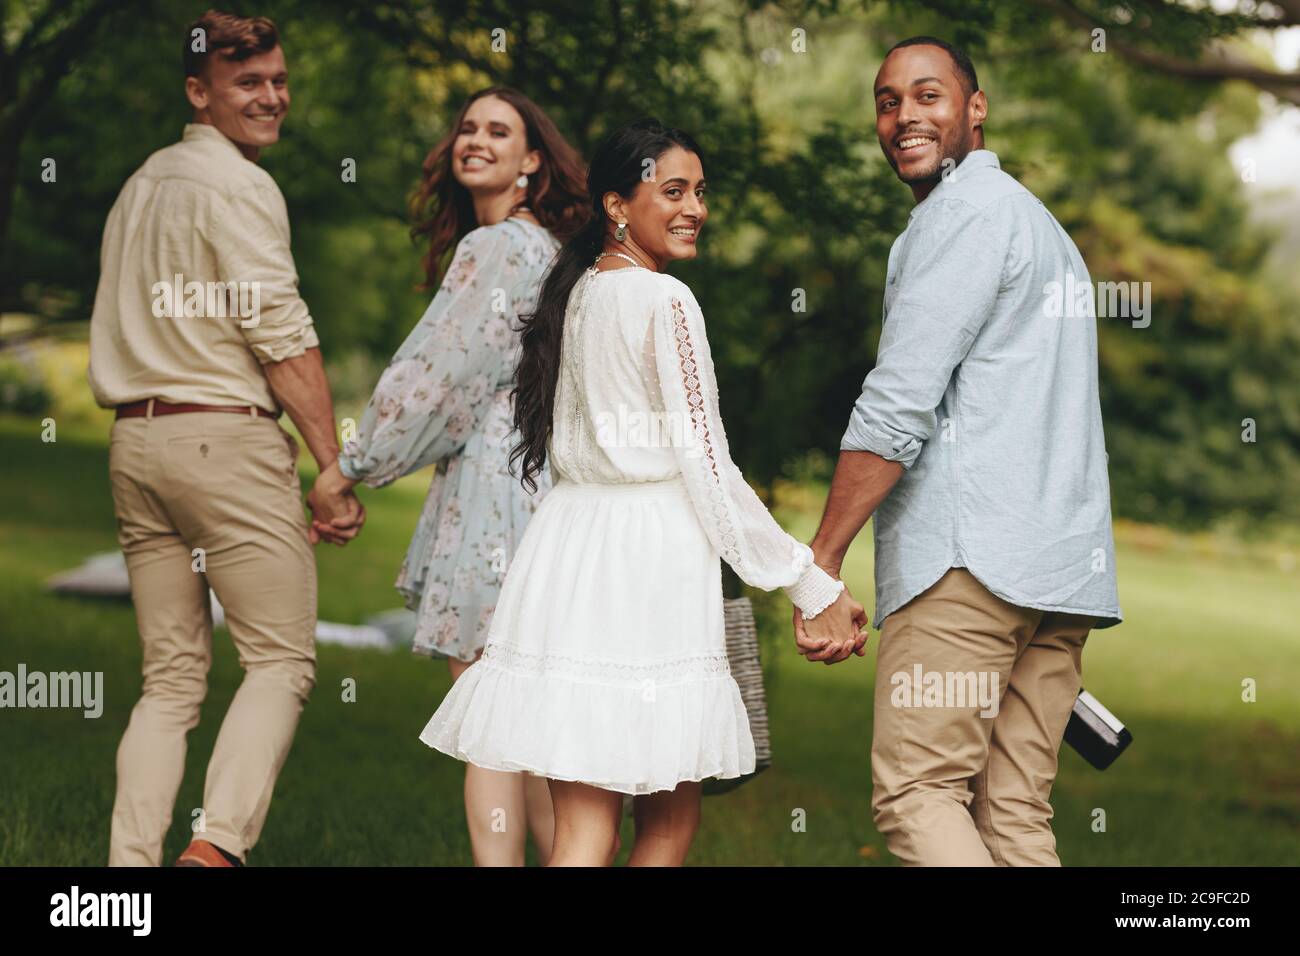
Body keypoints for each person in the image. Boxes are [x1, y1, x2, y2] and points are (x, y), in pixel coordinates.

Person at [418, 118, 866, 867]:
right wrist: (808, 581)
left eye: (701, 192)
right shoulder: (666, 303)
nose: (696, 208)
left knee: (583, 830)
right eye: (675, 191)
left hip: (570, 550)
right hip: (647, 564)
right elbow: (708, 469)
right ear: (619, 204)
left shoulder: (582, 293)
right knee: (664, 825)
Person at [796, 36, 1123, 866]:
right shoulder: (1038, 225)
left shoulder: (964, 216)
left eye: (928, 95)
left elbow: (898, 403)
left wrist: (824, 559)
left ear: (975, 110)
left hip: (968, 568)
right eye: (888, 101)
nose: (905, 115)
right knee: (1013, 816)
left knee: (919, 792)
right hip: (1057, 575)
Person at [89, 9, 364, 868]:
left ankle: (127, 877)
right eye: (248, 83)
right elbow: (280, 335)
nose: (272, 97)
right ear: (197, 92)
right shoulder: (240, 186)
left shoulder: (140, 183)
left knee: (169, 683)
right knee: (280, 661)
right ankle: (214, 854)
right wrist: (332, 464)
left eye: (279, 80)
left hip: (136, 447)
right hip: (224, 444)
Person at [310, 88, 587, 865]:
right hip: (546, 495)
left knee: (490, 724)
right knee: (531, 731)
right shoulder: (552, 249)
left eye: (499, 131)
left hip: (496, 496)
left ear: (533, 160)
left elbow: (434, 380)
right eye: (467, 128)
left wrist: (350, 468)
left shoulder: (498, 248)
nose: (476, 140)